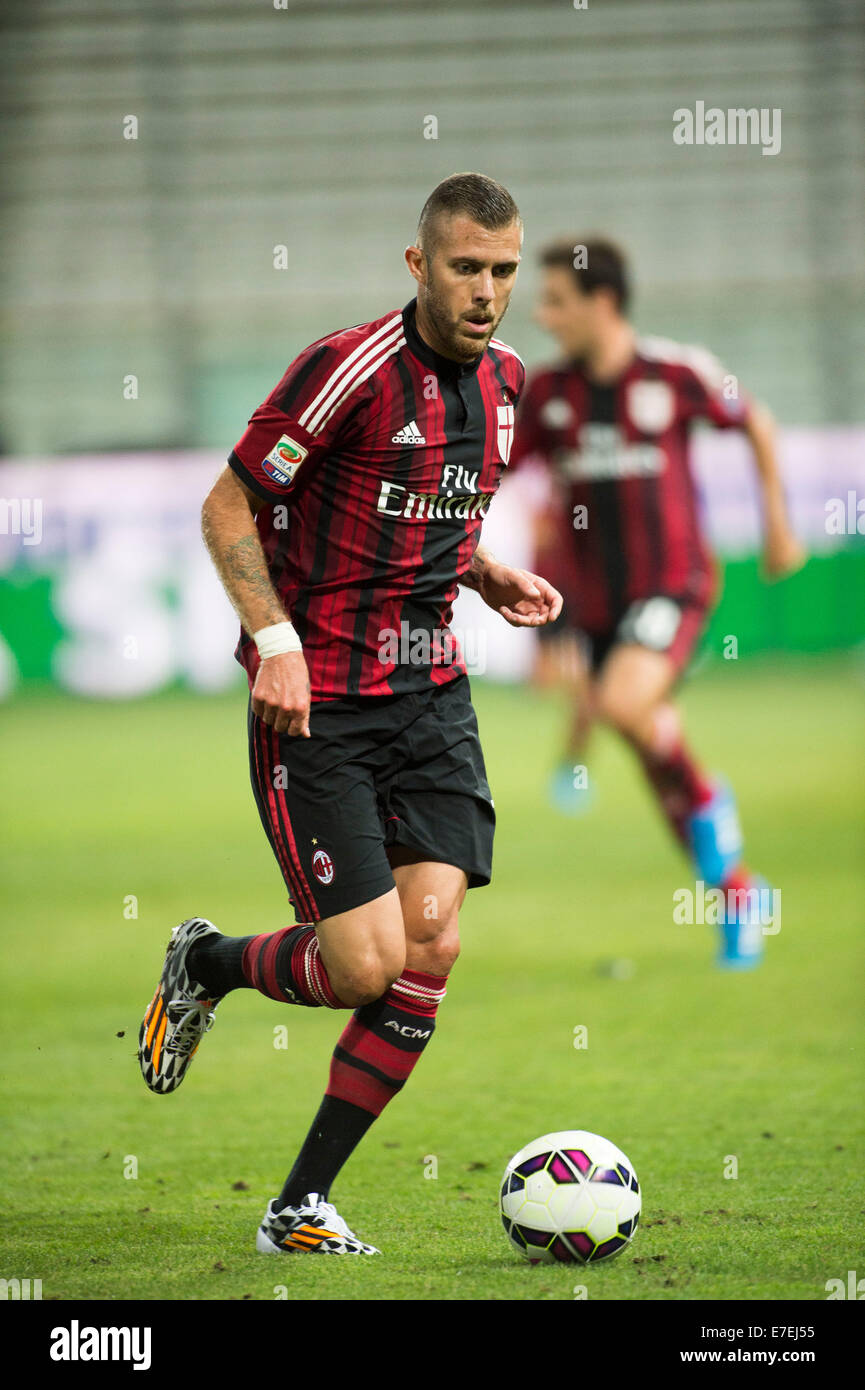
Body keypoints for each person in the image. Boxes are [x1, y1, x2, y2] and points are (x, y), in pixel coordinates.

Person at [137, 173, 562, 1254]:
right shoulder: (349, 370)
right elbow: (231, 499)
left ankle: (298, 1206)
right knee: (365, 967)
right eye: (465, 267)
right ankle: (208, 963)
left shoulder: (508, 386)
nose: (486, 291)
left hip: (429, 695)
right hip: (317, 703)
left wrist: (485, 574)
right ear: (417, 265)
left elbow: (422, 519)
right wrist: (273, 640)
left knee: (431, 944)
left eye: (504, 270)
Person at [510, 237, 804, 967]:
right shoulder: (547, 398)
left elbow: (756, 423)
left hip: (674, 585)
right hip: (600, 609)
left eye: (555, 301)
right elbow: (494, 469)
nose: (543, 316)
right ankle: (737, 893)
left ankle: (719, 839)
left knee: (618, 707)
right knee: (653, 753)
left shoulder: (676, 374)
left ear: (601, 302)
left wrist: (776, 525)